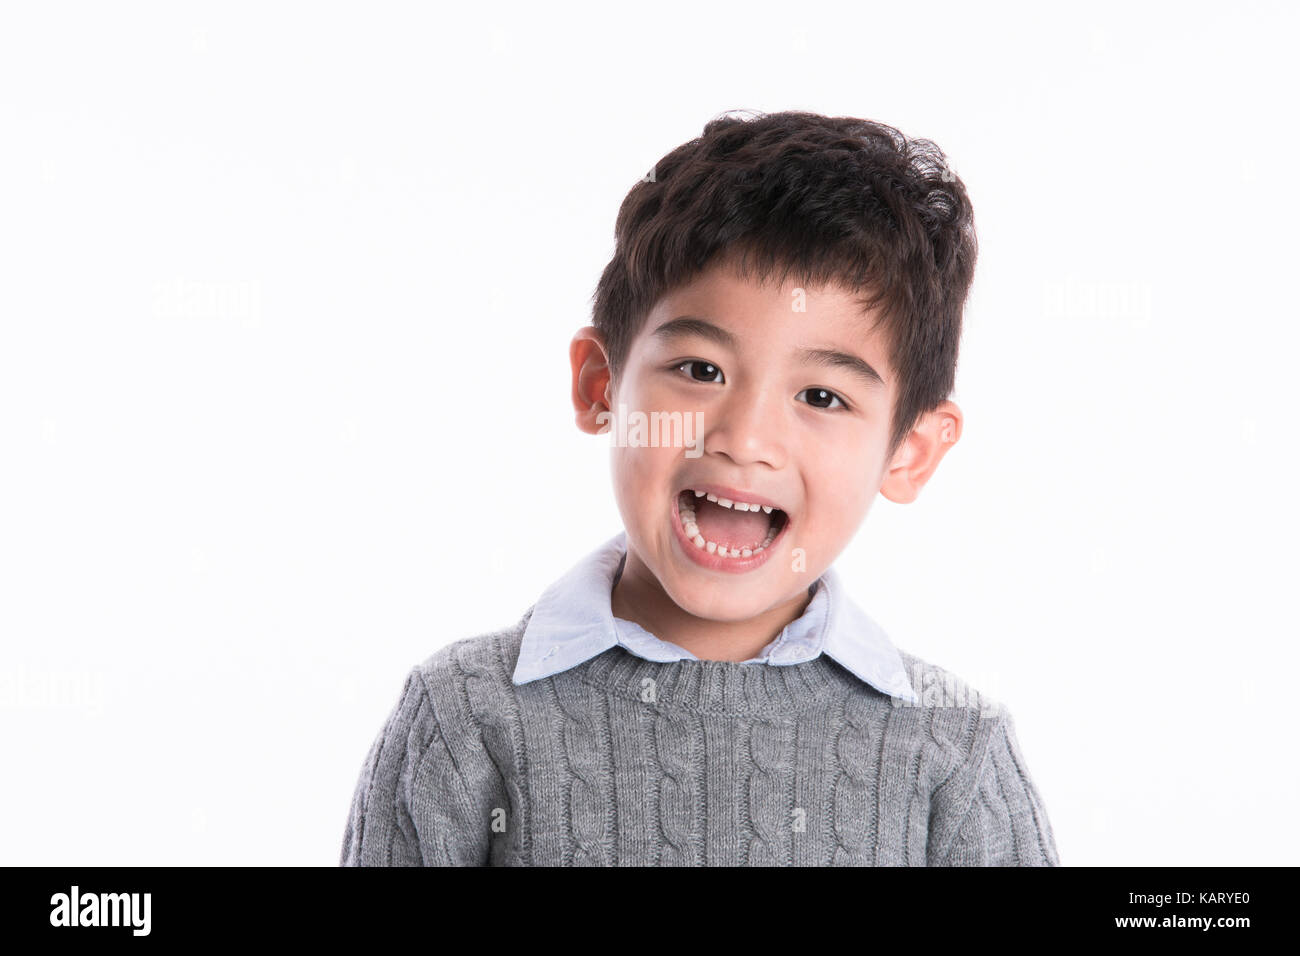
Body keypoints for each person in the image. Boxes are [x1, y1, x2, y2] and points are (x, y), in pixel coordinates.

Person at [340, 109, 1060, 866]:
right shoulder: (462, 721)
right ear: (600, 387)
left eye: (821, 398)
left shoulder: (954, 755)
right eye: (700, 371)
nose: (745, 440)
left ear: (908, 452)